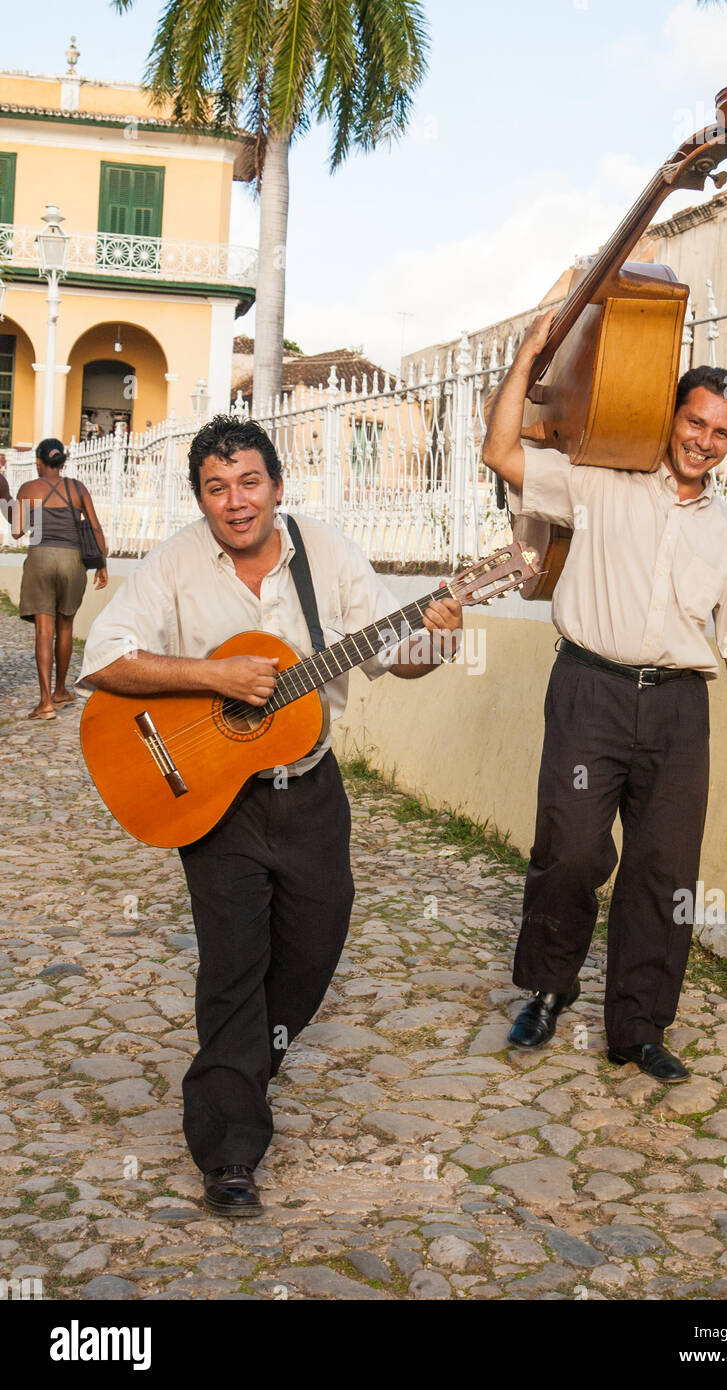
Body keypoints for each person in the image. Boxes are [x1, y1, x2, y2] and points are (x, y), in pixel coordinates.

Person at [77, 415, 463, 1215]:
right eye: (217, 488)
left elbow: (403, 657)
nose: (236, 501)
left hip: (311, 787)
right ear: (201, 500)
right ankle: (229, 1152)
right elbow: (105, 658)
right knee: (232, 962)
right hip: (215, 798)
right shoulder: (177, 563)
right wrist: (212, 674)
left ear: (277, 487)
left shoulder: (325, 554)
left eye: (249, 482)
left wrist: (440, 638)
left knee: (316, 942)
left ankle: (241, 1069)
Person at [482, 311, 727, 1081]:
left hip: (681, 709)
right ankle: (549, 989)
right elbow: (502, 452)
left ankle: (638, 1028)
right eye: (695, 422)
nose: (703, 441)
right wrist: (526, 360)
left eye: (721, 432)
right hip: (590, 689)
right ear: (672, 416)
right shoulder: (601, 482)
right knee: (572, 848)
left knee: (663, 870)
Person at [12, 439, 108, 720]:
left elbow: (18, 531)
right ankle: (61, 690)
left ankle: (45, 703)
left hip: (40, 557)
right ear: (63, 462)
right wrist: (102, 563)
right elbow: (95, 526)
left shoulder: (28, 489)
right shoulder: (77, 488)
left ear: (39, 462)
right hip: (72, 560)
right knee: (65, 625)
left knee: (44, 630)